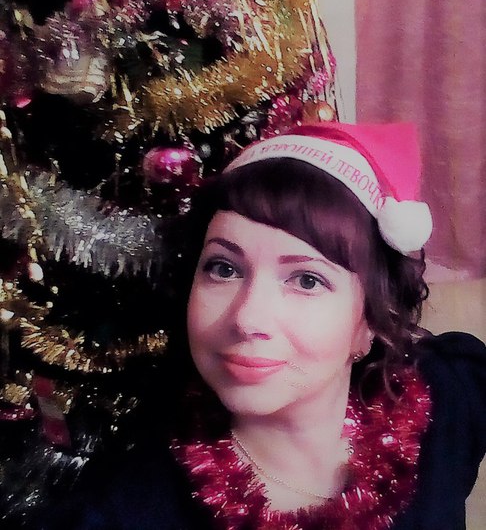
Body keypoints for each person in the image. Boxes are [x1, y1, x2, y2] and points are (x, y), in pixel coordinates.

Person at [40, 121, 486, 530]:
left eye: (306, 280)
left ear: (370, 320)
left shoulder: (447, 397)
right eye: (223, 269)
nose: (247, 318)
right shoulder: (124, 512)